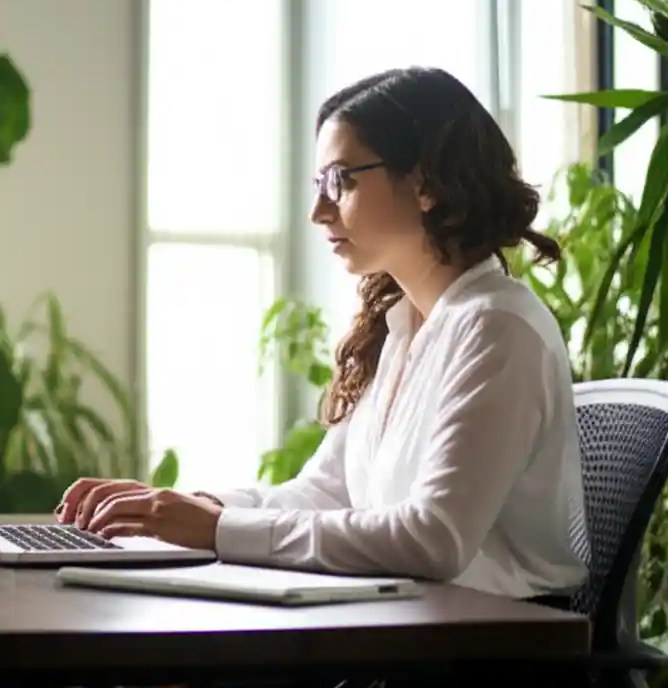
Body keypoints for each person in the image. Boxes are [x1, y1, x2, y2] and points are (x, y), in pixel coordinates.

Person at [57, 66, 588, 605]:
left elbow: (433, 539)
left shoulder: (498, 330)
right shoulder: (406, 327)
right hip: (403, 629)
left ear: (425, 182)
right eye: (320, 185)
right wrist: (186, 509)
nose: (318, 211)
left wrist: (214, 530)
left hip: (489, 649)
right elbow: (325, 493)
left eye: (342, 181)